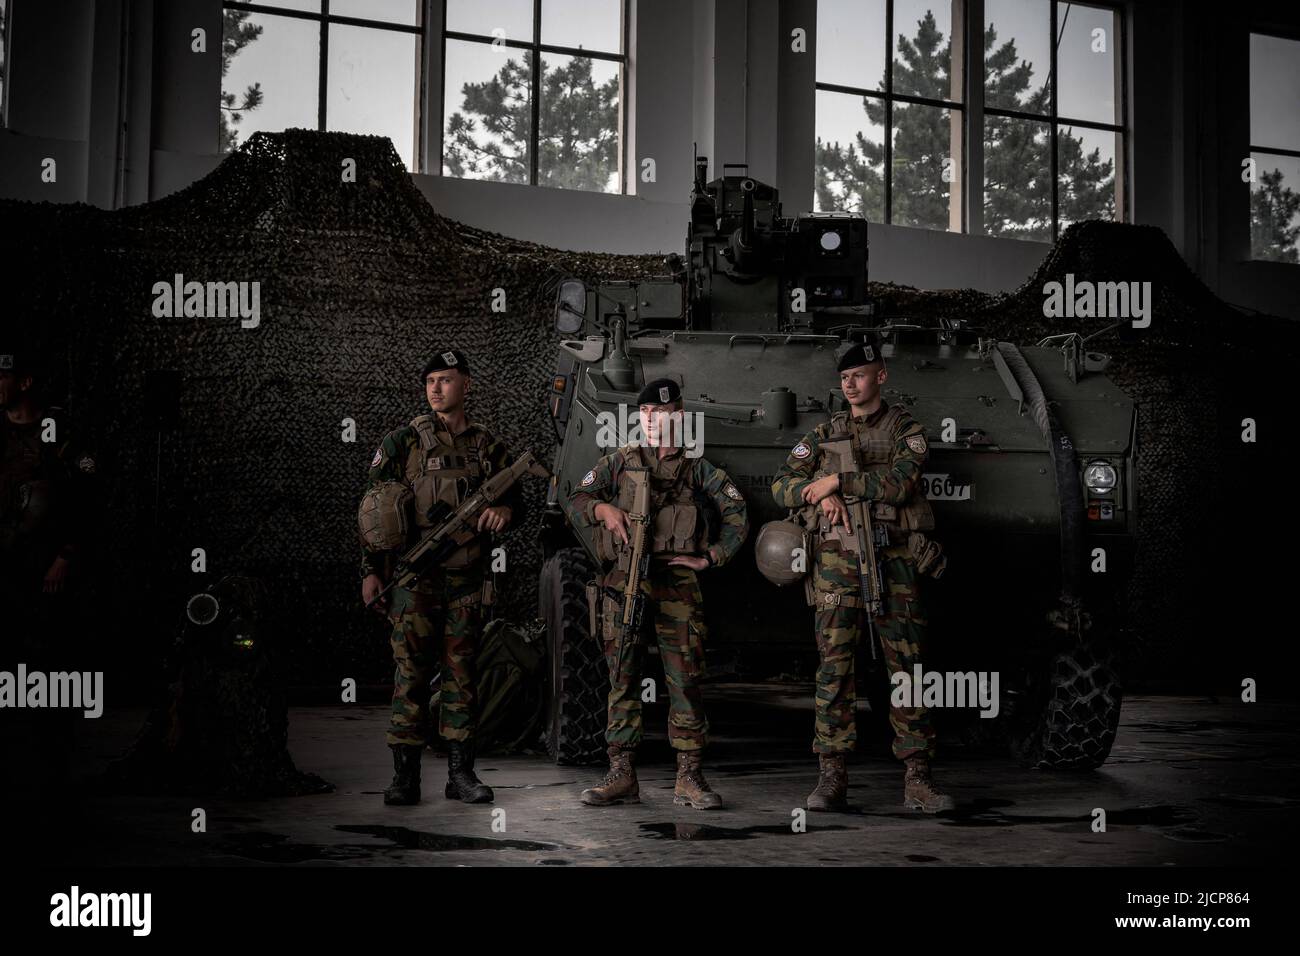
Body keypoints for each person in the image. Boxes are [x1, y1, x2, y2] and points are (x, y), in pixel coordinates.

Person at [771, 338, 954, 813]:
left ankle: (918, 778)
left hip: (893, 561)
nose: (850, 384)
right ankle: (831, 776)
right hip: (836, 566)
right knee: (833, 671)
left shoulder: (905, 429)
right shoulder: (824, 432)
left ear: (881, 377)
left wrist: (840, 482)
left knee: (908, 673)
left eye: (860, 375)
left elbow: (900, 482)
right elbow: (781, 484)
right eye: (845, 378)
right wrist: (816, 491)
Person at [565, 378, 748, 809]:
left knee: (684, 678)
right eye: (646, 413)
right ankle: (621, 773)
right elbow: (576, 498)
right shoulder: (617, 462)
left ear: (678, 417)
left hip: (677, 585)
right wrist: (602, 508)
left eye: (662, 414)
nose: (652, 420)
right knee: (622, 675)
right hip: (624, 583)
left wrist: (714, 557)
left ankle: (689, 777)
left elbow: (737, 512)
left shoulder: (697, 469)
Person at [358, 349, 522, 805]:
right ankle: (404, 777)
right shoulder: (401, 443)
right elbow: (374, 514)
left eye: (445, 380)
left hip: (467, 581)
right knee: (409, 675)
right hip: (414, 581)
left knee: (461, 676)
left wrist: (503, 511)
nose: (435, 389)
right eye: (430, 380)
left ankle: (461, 775)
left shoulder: (488, 446)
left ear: (466, 384)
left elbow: (520, 501)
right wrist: (371, 571)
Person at [0, 345, 97, 801]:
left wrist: (67, 554)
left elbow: (85, 494)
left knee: (47, 670)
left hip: (45, 569)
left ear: (24, 382)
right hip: (7, 563)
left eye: (2, 377)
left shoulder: (54, 429)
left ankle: (49, 772)